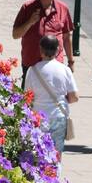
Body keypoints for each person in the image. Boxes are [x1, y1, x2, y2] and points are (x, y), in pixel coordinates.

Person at [12, 0, 74, 87]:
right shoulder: (28, 8)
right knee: (28, 100)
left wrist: (71, 61)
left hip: (55, 65)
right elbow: (15, 35)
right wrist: (30, 22)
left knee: (53, 98)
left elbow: (66, 37)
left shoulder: (63, 8)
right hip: (32, 64)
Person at [25, 34, 78, 164]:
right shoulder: (65, 70)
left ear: (41, 50)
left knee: (38, 153)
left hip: (39, 117)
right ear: (58, 50)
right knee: (56, 155)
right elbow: (74, 97)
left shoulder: (33, 70)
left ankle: (40, 179)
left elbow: (27, 98)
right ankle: (54, 180)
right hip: (58, 116)